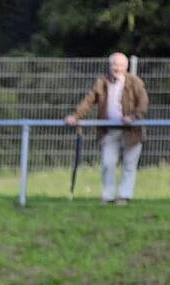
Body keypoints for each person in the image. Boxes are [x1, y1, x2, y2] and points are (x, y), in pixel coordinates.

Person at [64, 53, 149, 205]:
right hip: (109, 131)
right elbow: (89, 100)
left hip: (131, 131)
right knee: (108, 163)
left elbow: (143, 103)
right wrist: (76, 116)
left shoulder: (135, 82)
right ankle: (108, 195)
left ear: (126, 67)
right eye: (114, 65)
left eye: (120, 65)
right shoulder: (102, 83)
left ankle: (124, 196)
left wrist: (133, 117)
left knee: (129, 164)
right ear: (110, 66)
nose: (117, 68)